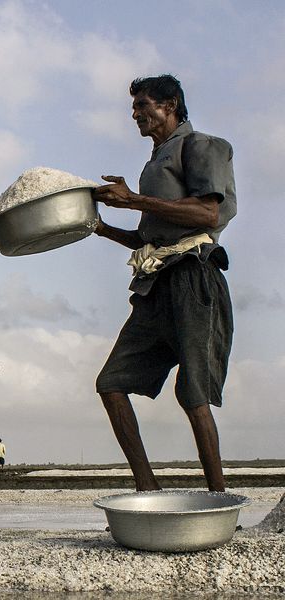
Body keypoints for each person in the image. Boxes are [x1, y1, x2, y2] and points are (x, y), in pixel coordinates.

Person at [92, 74, 237, 492]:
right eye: (134, 108)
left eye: (143, 105)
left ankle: (217, 498)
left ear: (170, 105)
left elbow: (207, 215)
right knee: (112, 383)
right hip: (155, 285)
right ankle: (148, 490)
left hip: (194, 278)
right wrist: (100, 227)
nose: (136, 114)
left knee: (193, 393)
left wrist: (134, 199)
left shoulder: (202, 146)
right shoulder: (153, 163)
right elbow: (148, 237)